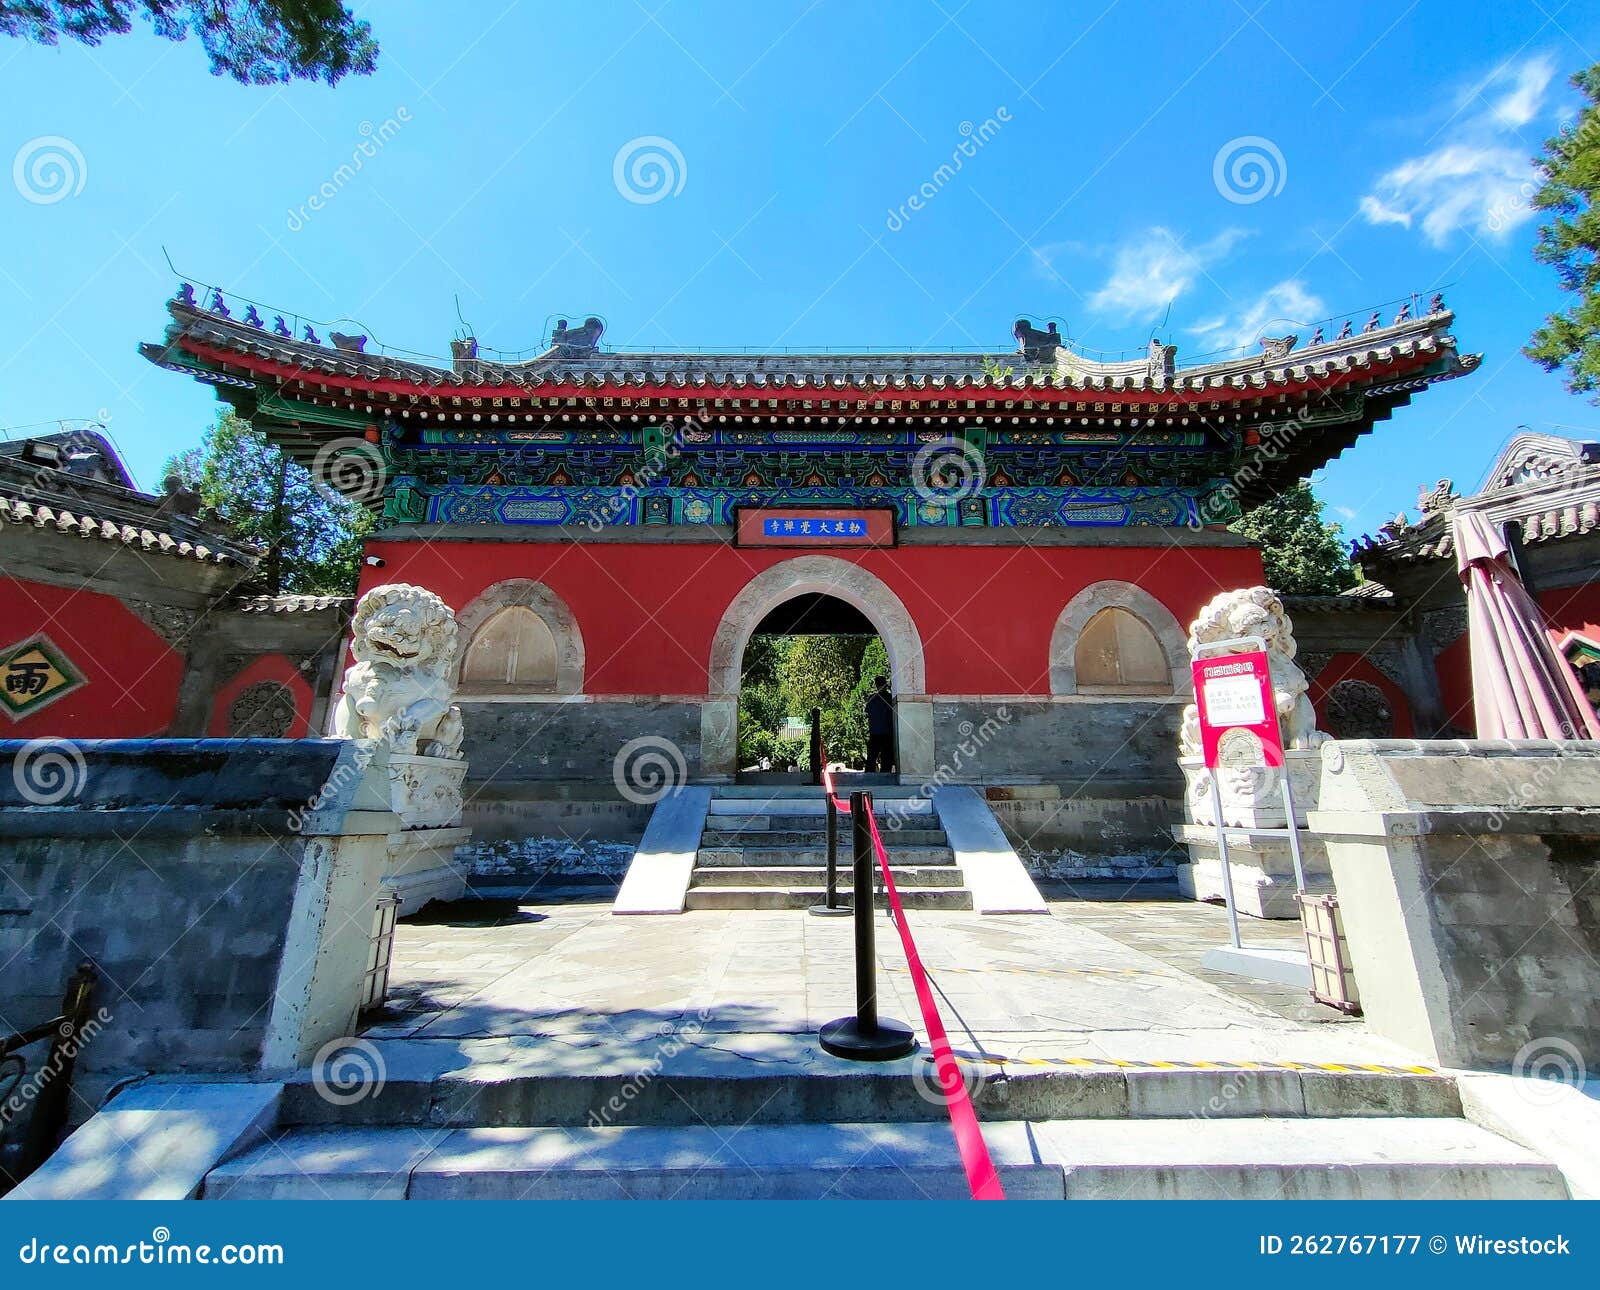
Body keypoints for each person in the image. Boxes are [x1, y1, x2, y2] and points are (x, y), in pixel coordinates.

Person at [864, 675, 896, 774]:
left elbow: (868, 712)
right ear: (886, 684)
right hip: (887, 732)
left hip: (874, 731)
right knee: (886, 757)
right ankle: (885, 775)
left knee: (872, 757)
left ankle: (869, 776)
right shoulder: (890, 698)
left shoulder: (871, 698)